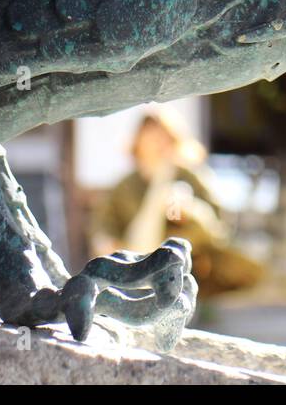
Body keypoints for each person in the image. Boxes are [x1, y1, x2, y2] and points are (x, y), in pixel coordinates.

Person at [92, 110, 263, 298]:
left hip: (188, 271)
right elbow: (104, 228)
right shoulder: (125, 186)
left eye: (162, 137)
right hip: (136, 272)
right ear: (138, 142)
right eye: (151, 137)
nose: (157, 144)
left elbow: (218, 228)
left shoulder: (189, 178)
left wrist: (189, 212)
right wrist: (109, 244)